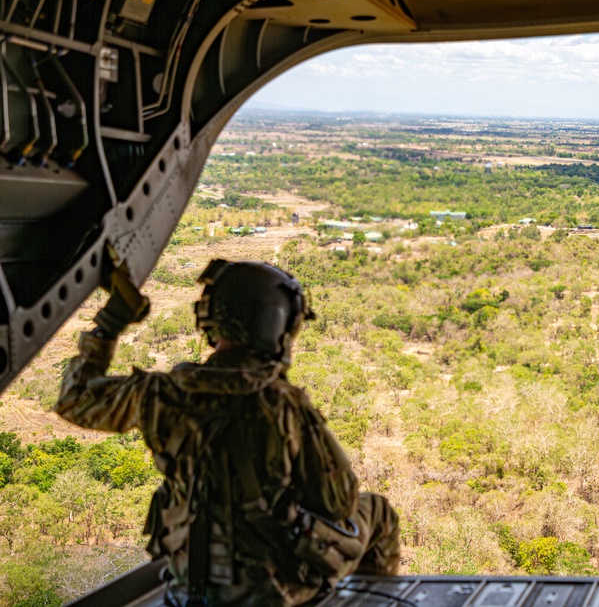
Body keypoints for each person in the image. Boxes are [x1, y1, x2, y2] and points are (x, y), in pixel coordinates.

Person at [56, 257, 400, 607]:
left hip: (188, 590)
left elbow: (74, 399)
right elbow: (339, 502)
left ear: (211, 320)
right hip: (274, 594)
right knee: (379, 512)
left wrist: (112, 322)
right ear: (275, 324)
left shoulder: (158, 393)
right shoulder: (282, 403)